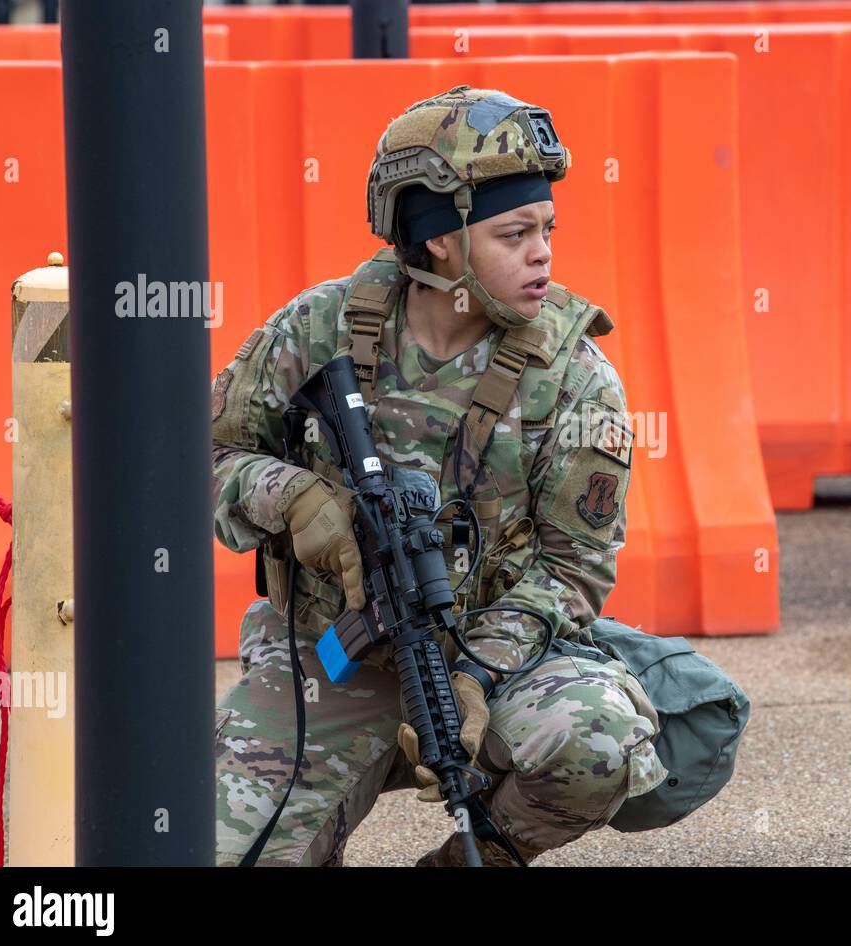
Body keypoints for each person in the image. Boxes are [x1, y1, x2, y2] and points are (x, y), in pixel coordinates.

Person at [210, 85, 667, 867]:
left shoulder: (575, 376)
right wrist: (295, 498)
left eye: (547, 229)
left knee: (599, 740)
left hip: (492, 660)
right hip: (331, 656)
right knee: (223, 853)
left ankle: (473, 860)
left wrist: (475, 673)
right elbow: (207, 456)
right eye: (514, 233)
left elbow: (574, 567)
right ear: (440, 243)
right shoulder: (318, 328)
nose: (543, 254)